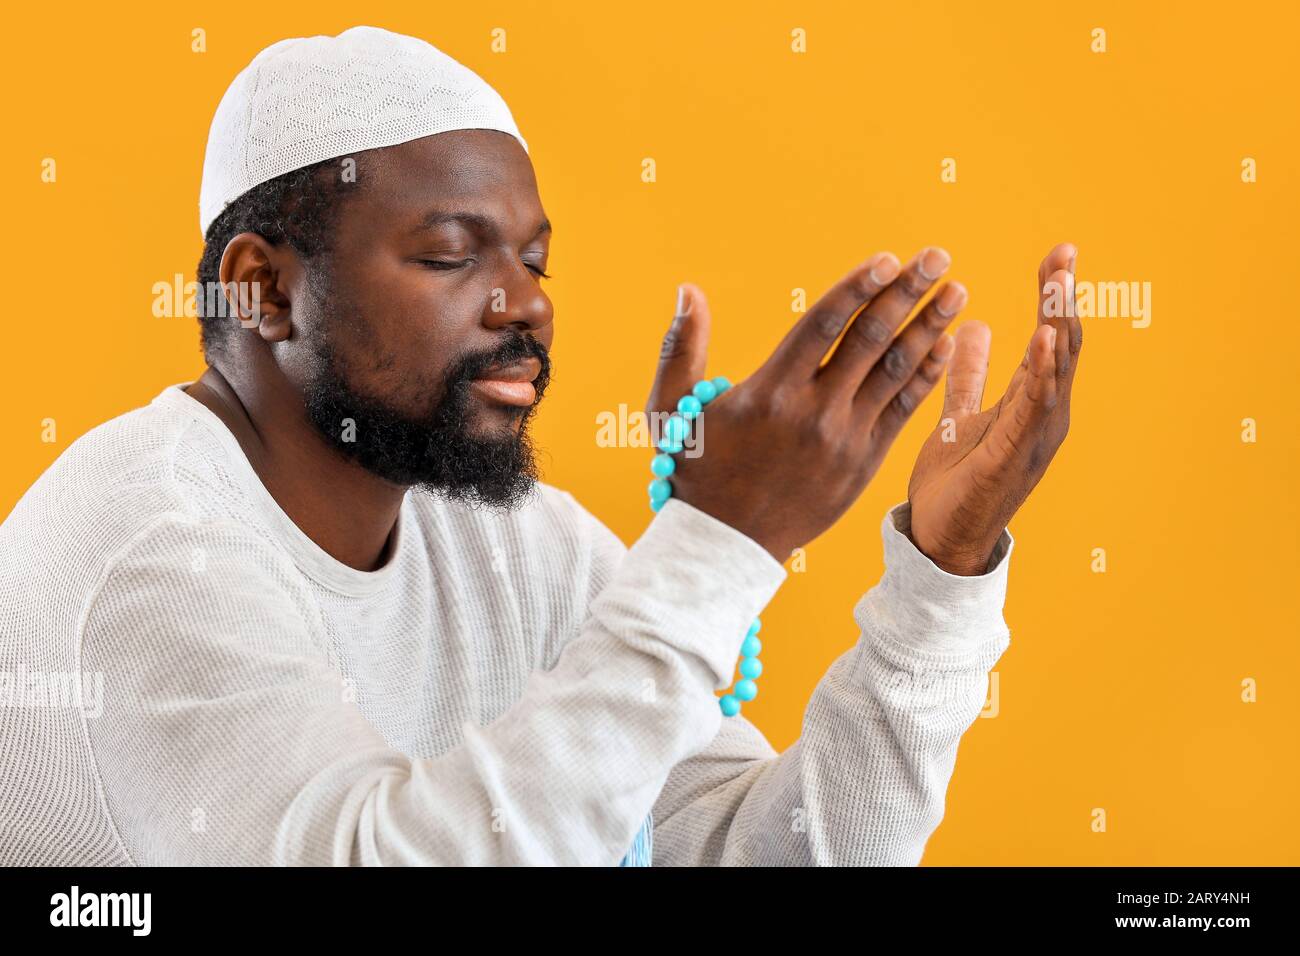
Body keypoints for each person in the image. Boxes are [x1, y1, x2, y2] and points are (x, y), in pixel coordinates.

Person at [0, 26, 1082, 865]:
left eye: (532, 257)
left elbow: (752, 854)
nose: (522, 304)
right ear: (265, 287)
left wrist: (938, 580)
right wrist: (718, 542)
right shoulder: (151, 552)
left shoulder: (509, 538)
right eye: (449, 255)